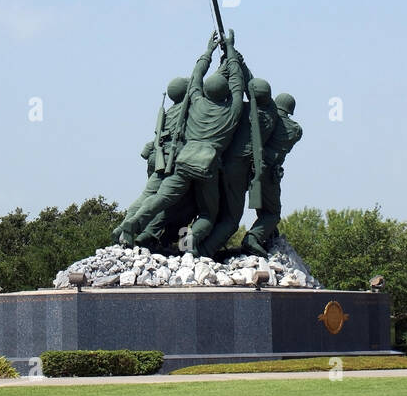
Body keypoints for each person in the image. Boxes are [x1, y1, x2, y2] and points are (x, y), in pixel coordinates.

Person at [126, 31, 245, 250]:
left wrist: (208, 51)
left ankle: (134, 222)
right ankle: (187, 247)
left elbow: (197, 76)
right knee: (208, 214)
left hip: (183, 161)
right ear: (226, 93)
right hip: (207, 167)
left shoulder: (195, 102)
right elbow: (238, 84)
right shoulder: (232, 112)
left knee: (161, 198)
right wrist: (231, 52)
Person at [198, 76, 277, 260]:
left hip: (218, 165)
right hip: (238, 170)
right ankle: (204, 252)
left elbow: (239, 90)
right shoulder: (269, 116)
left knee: (215, 214)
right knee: (231, 220)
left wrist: (233, 61)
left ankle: (197, 249)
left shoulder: (239, 111)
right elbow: (257, 92)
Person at [111, 74, 191, 246]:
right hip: (173, 158)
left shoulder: (169, 112)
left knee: (146, 195)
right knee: (164, 197)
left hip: (159, 157)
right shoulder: (187, 109)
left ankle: (122, 227)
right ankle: (134, 225)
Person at [242, 90, 301, 255]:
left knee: (260, 207)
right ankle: (253, 237)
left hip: (248, 168)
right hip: (268, 173)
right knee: (272, 213)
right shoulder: (295, 129)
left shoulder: (264, 119)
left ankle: (267, 234)